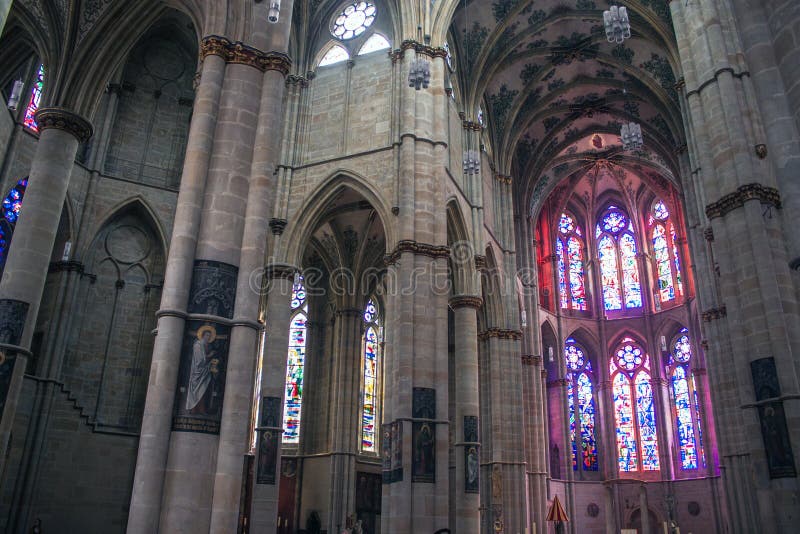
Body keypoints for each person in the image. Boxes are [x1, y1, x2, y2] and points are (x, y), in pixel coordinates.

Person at [186, 326, 217, 413]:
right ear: (202, 335)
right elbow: (200, 361)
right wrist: (210, 355)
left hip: (205, 372)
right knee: (197, 391)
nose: (208, 337)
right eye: (207, 335)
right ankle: (194, 409)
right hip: (197, 372)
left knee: (204, 391)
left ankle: (202, 409)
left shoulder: (208, 346)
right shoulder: (198, 345)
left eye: (210, 336)